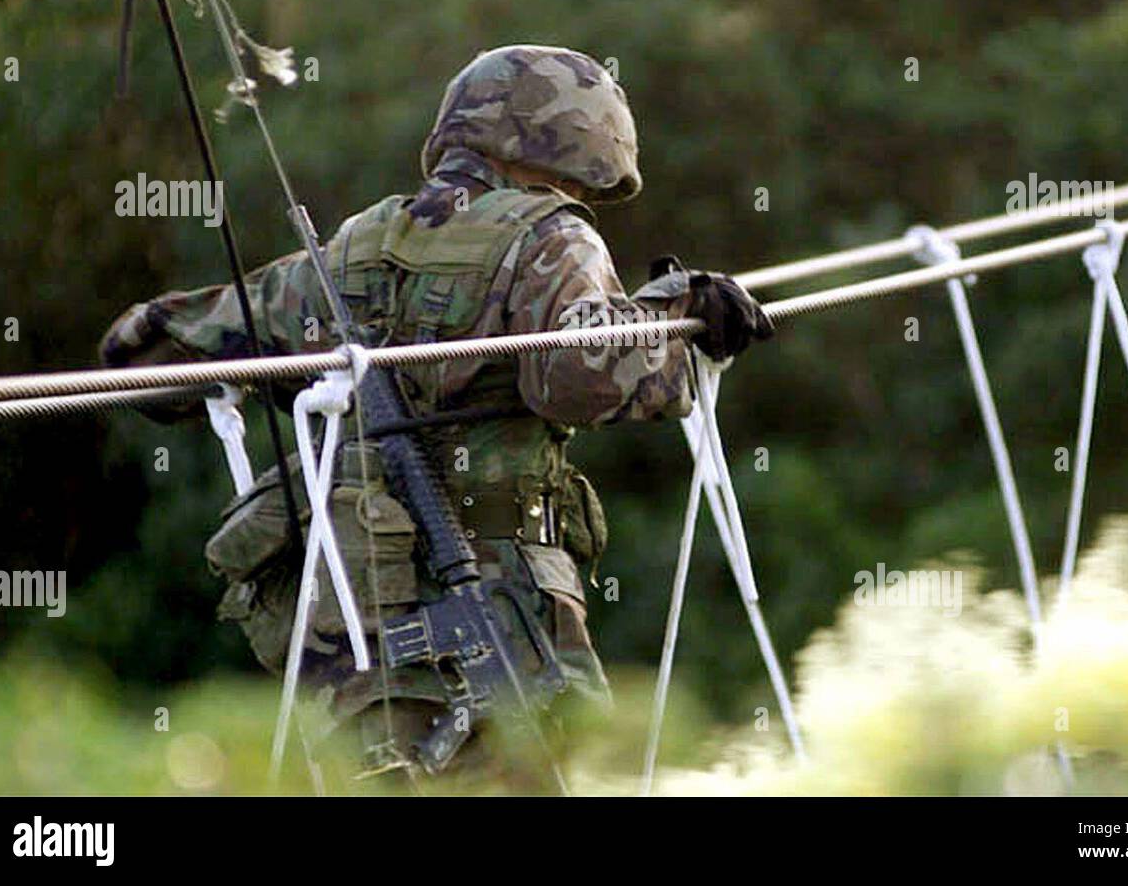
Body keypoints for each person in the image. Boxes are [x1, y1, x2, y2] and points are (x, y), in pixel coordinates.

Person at [99, 44, 772, 790]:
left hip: (358, 609)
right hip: (503, 591)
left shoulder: (356, 246)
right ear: (570, 145)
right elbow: (579, 375)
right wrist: (680, 317)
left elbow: (152, 355)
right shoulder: (551, 234)